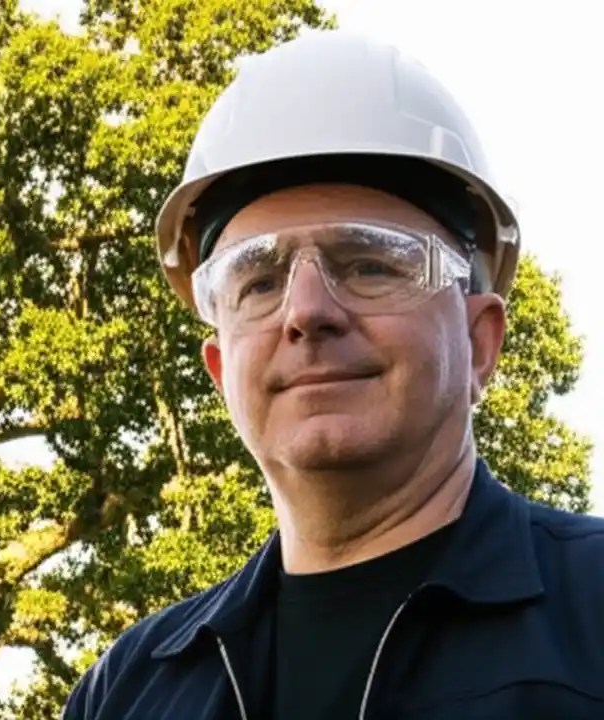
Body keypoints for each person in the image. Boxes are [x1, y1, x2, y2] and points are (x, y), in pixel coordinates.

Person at [61, 29, 604, 720]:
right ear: (221, 370)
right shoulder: (129, 692)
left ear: (479, 343)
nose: (307, 311)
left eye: (370, 265)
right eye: (258, 281)